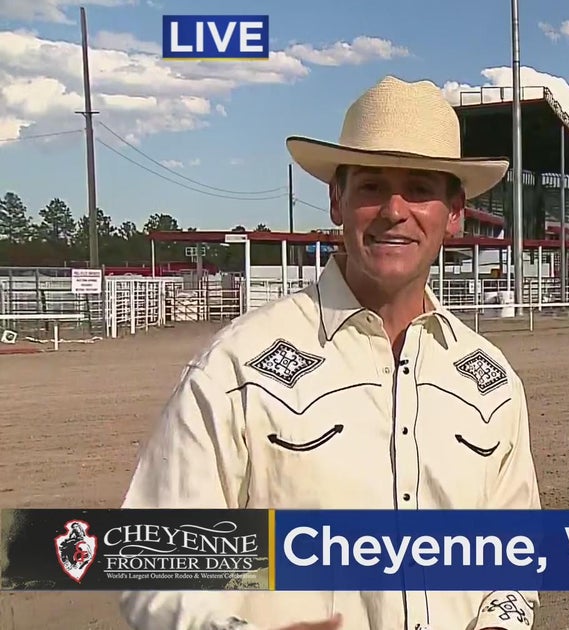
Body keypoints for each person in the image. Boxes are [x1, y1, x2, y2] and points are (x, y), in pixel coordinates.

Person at [119, 76, 541, 630]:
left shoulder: (490, 384)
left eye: (418, 187)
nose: (394, 209)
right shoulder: (237, 371)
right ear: (337, 200)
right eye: (371, 186)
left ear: (455, 211)